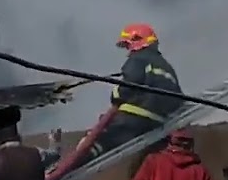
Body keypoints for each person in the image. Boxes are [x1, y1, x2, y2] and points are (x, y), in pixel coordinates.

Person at [78, 23, 184, 169]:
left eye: (128, 45)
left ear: (137, 40)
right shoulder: (166, 66)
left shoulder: (138, 59)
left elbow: (129, 84)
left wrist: (116, 94)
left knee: (103, 136)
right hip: (158, 123)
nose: (128, 50)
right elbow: (178, 99)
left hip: (135, 116)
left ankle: (78, 159)